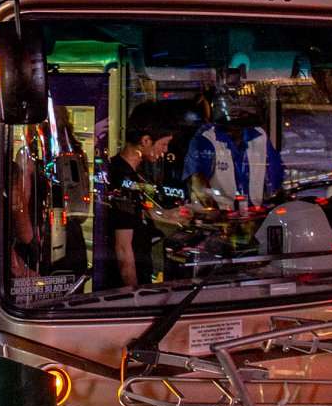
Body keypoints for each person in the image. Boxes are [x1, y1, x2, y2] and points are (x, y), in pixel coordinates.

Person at [184, 91, 284, 209]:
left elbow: (276, 175)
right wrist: (215, 215)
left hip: (255, 214)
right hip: (222, 217)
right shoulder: (205, 138)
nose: (239, 110)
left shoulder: (259, 135)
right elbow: (198, 185)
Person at [104, 113, 171, 289]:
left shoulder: (132, 174)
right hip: (126, 285)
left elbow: (139, 214)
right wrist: (133, 293)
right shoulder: (123, 179)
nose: (165, 150)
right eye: (163, 144)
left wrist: (169, 215)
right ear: (146, 141)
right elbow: (123, 247)